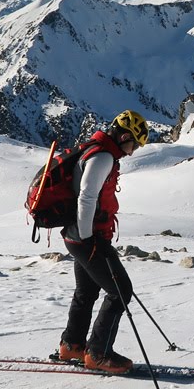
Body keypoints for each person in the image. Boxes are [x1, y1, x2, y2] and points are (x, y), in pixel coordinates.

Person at [56, 109, 150, 374]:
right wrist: (88, 238)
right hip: (87, 237)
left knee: (87, 292)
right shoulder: (103, 157)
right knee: (121, 291)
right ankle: (98, 353)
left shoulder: (97, 151)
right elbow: (86, 197)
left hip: (78, 236)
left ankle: (72, 345)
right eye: (133, 144)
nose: (132, 152)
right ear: (123, 137)